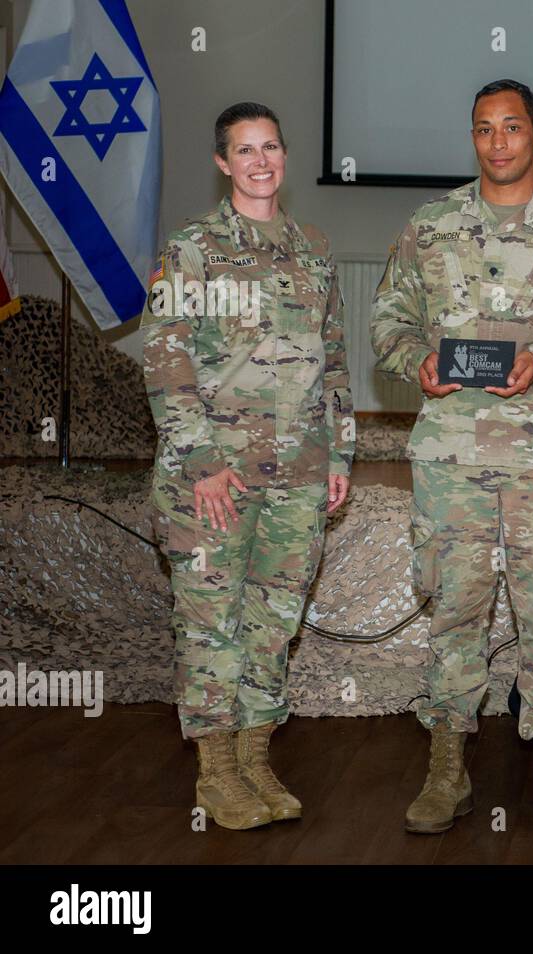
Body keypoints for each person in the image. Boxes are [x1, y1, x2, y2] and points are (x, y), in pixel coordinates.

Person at [370, 78, 533, 839]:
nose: (498, 142)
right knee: (454, 610)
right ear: (474, 136)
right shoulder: (430, 227)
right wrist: (418, 360)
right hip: (451, 456)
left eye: (512, 128)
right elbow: (388, 322)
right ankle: (447, 771)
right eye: (484, 128)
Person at [142, 102, 354, 831]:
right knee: (210, 625)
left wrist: (339, 452)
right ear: (223, 163)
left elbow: (333, 359)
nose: (261, 160)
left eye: (271, 147)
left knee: (272, 624)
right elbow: (164, 357)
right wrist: (199, 459)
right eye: (245, 150)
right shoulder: (192, 248)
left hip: (296, 476)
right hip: (212, 479)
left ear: (284, 157)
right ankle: (216, 773)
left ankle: (257, 754)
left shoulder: (314, 247)